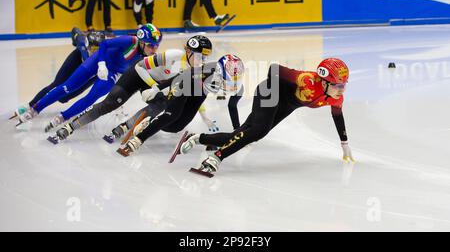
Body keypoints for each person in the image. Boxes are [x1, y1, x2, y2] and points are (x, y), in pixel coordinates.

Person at [178, 58, 354, 176]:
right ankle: (216, 157)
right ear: (324, 81)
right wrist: (274, 91)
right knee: (258, 131)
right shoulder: (306, 79)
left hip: (286, 105)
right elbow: (274, 69)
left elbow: (338, 116)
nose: (342, 89)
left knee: (245, 134)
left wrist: (344, 145)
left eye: (344, 85)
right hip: (270, 92)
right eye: (338, 85)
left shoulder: (336, 97)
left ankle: (198, 138)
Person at [52, 35, 215, 143]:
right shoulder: (173, 55)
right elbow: (140, 66)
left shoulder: (196, 70)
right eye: (200, 56)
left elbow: (190, 94)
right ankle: (72, 126)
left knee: (163, 103)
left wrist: (204, 115)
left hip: (155, 84)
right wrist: (154, 86)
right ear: (188, 52)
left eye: (205, 57)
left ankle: (126, 125)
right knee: (110, 104)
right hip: (138, 74)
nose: (202, 60)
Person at [17, 24, 161, 131]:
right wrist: (102, 63)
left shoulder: (149, 57)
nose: (154, 50)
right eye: (151, 46)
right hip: (98, 61)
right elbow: (104, 44)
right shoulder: (130, 41)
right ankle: (35, 109)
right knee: (67, 87)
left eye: (156, 46)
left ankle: (63, 117)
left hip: (113, 73)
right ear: (141, 42)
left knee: (91, 98)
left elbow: (141, 75)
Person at [116, 54, 245, 157]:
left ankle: (148, 123)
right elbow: (181, 76)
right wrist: (157, 89)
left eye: (234, 82)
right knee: (172, 115)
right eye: (226, 81)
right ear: (217, 73)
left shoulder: (238, 88)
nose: (230, 86)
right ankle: (138, 139)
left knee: (176, 127)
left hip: (200, 93)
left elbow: (232, 106)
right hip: (186, 84)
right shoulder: (205, 71)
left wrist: (237, 131)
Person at [10, 28, 105, 120]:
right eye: (93, 48)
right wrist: (74, 42)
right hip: (77, 58)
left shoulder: (107, 55)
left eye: (98, 49)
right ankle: (29, 106)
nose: (95, 52)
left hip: (93, 70)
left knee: (63, 99)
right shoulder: (82, 41)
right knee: (57, 84)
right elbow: (75, 30)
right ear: (87, 44)